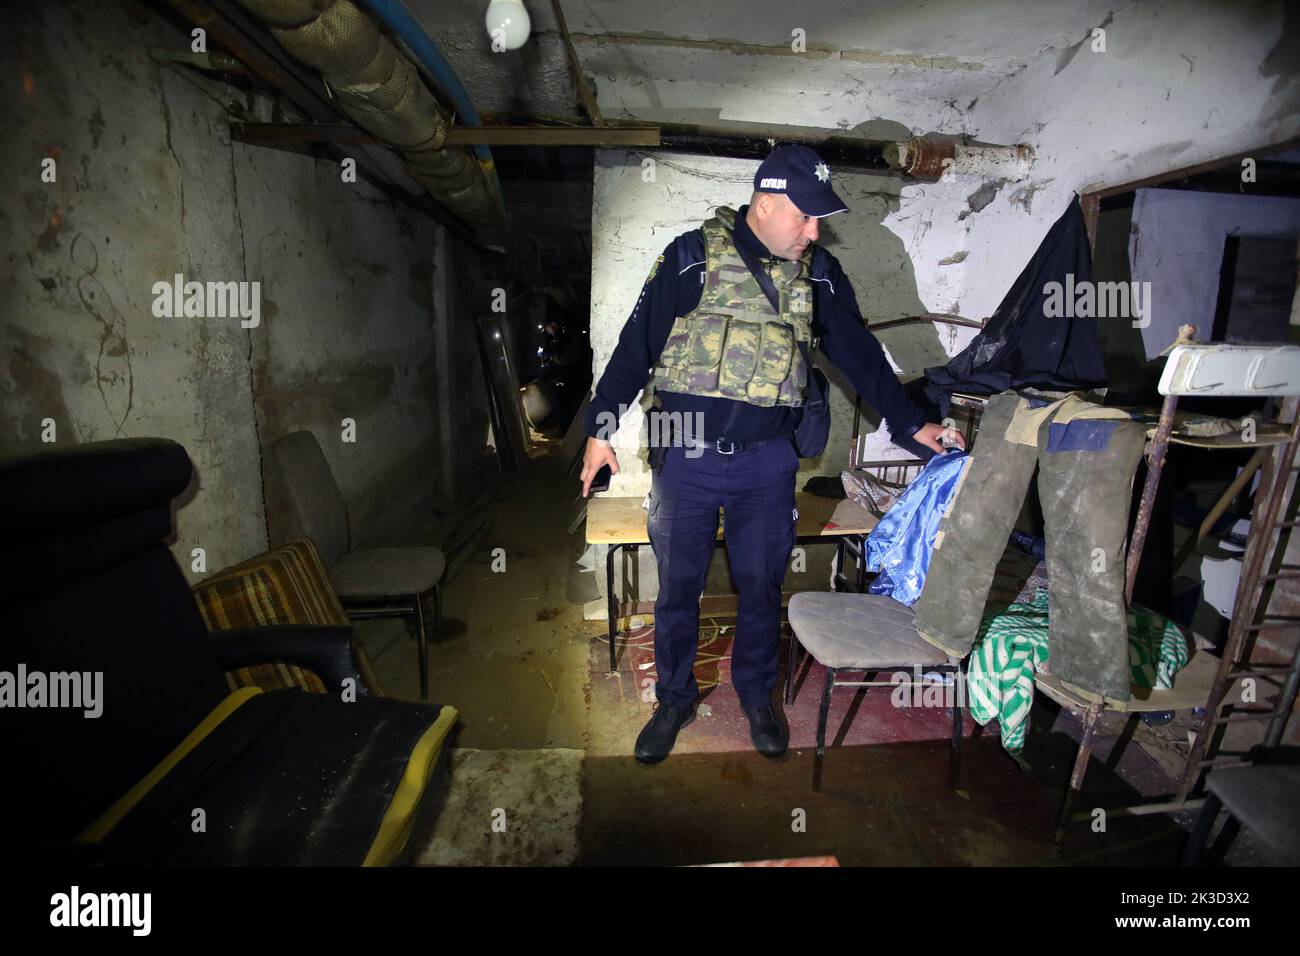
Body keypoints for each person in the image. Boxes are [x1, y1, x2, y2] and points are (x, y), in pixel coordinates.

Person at [580, 144, 964, 764]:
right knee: (680, 589)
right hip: (688, 458)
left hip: (767, 462)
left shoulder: (819, 272)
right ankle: (674, 698)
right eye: (804, 218)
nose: (814, 231)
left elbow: (860, 355)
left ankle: (757, 694)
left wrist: (912, 422)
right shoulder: (691, 258)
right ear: (764, 204)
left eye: (820, 220)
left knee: (760, 587)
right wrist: (600, 430)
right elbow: (635, 347)